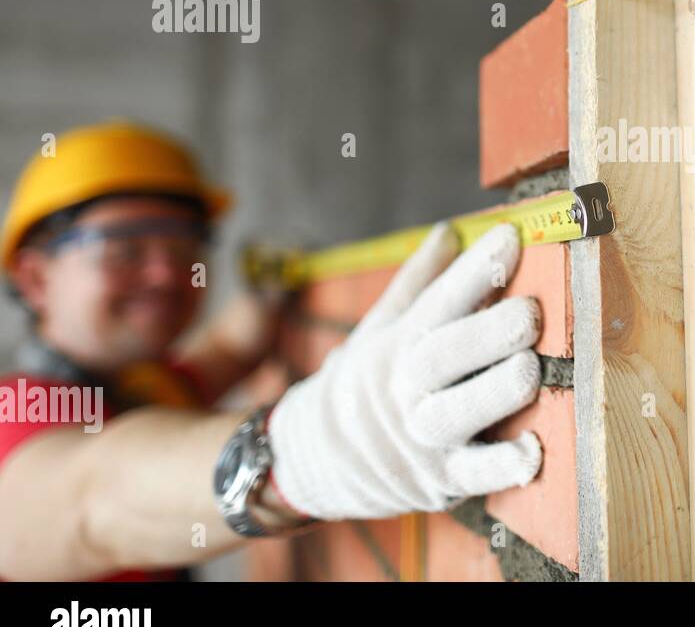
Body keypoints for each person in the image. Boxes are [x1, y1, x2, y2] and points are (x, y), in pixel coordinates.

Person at [0, 122, 543, 581]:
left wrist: (271, 296)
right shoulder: (15, 418)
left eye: (184, 248)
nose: (166, 274)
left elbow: (228, 348)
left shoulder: (151, 384)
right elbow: (93, 500)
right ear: (35, 278)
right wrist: (308, 450)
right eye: (126, 250)